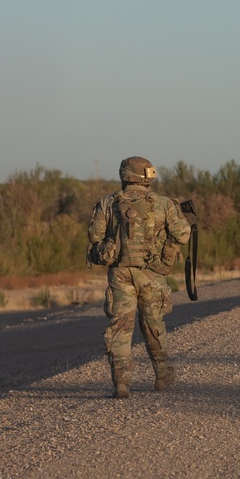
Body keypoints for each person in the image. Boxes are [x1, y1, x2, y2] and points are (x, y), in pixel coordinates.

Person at [87, 157, 192, 398]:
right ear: (148, 177)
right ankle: (162, 374)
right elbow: (183, 235)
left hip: (120, 273)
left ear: (124, 176)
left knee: (120, 328)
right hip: (152, 274)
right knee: (153, 325)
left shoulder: (108, 202)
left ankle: (121, 383)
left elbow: (95, 236)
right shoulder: (164, 203)